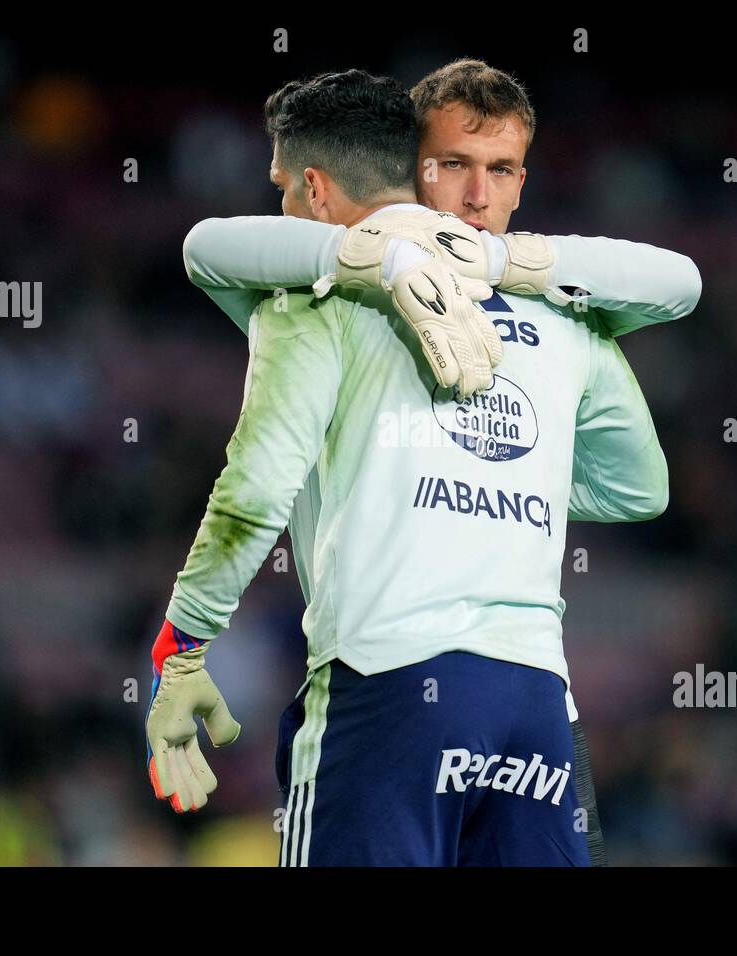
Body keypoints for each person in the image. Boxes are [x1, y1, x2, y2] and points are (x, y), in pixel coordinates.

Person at [146, 68, 682, 866]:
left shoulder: (313, 300)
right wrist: (508, 468)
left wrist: (181, 647)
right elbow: (642, 487)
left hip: (386, 683)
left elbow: (256, 486)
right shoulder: (565, 318)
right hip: (535, 704)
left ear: (313, 186)